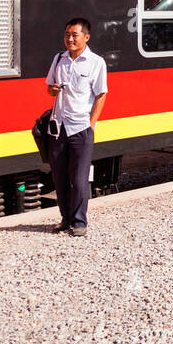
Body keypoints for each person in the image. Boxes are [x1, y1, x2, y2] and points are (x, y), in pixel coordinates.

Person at [44, 18, 108, 237]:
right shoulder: (59, 59)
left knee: (79, 179)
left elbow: (101, 95)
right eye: (67, 35)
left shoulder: (96, 62)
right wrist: (53, 90)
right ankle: (65, 218)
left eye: (74, 35)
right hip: (58, 127)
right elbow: (49, 90)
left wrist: (91, 125)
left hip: (81, 128)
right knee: (59, 177)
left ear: (86, 37)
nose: (69, 39)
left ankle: (80, 221)